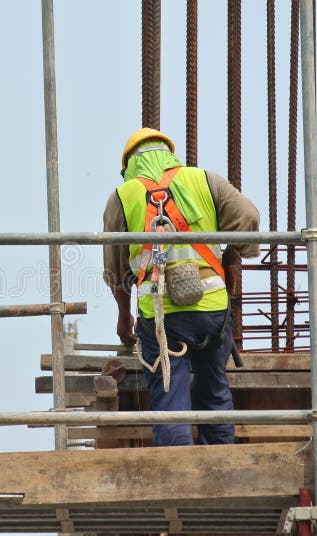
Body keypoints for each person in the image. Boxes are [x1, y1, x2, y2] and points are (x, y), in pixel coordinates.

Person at [102, 127, 259, 447]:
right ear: (170, 155)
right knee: (214, 392)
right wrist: (231, 254)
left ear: (130, 165)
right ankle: (221, 474)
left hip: (163, 318)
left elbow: (115, 270)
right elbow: (249, 217)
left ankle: (180, 486)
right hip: (213, 310)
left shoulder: (123, 195)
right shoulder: (206, 180)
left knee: (170, 402)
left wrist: (123, 315)